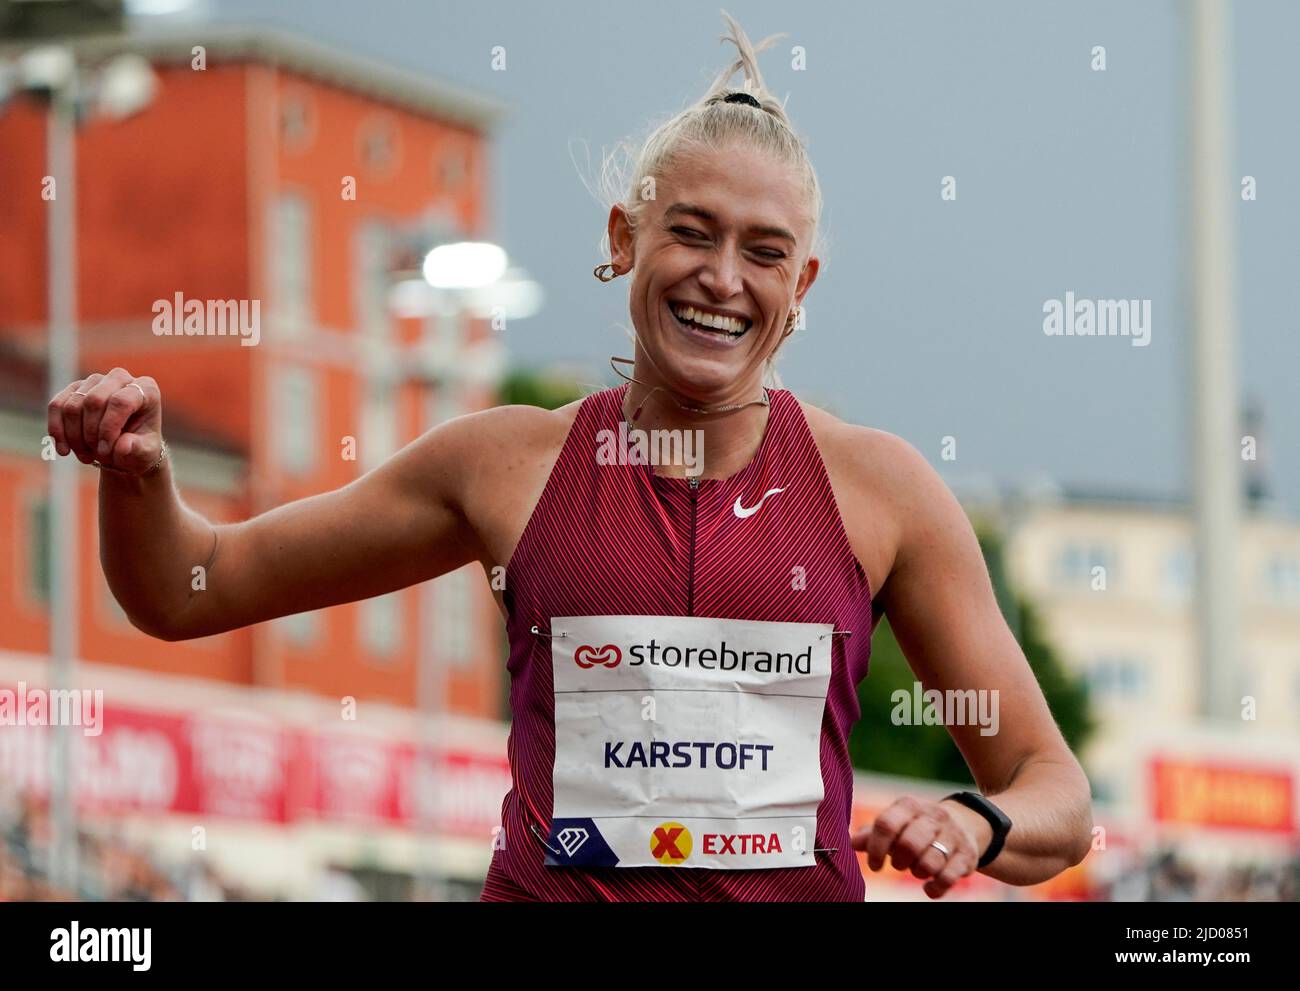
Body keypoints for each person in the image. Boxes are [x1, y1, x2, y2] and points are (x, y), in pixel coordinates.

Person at [46, 11, 1092, 902]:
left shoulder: (882, 491)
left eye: (764, 251)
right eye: (691, 232)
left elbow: (1051, 787)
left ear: (802, 284)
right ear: (623, 239)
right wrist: (142, 478)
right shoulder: (505, 465)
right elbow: (189, 589)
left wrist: (975, 824)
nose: (723, 278)